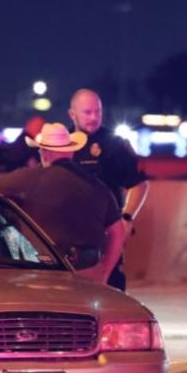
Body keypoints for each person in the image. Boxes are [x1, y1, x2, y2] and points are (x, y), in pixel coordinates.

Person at [0, 123, 127, 285]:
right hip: (89, 274)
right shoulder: (99, 187)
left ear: (44, 152)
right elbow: (118, 232)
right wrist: (105, 271)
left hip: (43, 274)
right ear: (71, 151)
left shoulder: (27, 179)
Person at [68, 89, 149, 290]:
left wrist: (126, 218)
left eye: (98, 111)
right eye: (87, 112)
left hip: (105, 233)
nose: (94, 117)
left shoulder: (115, 144)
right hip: (69, 233)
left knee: (110, 285)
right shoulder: (62, 143)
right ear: (72, 114)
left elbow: (139, 184)